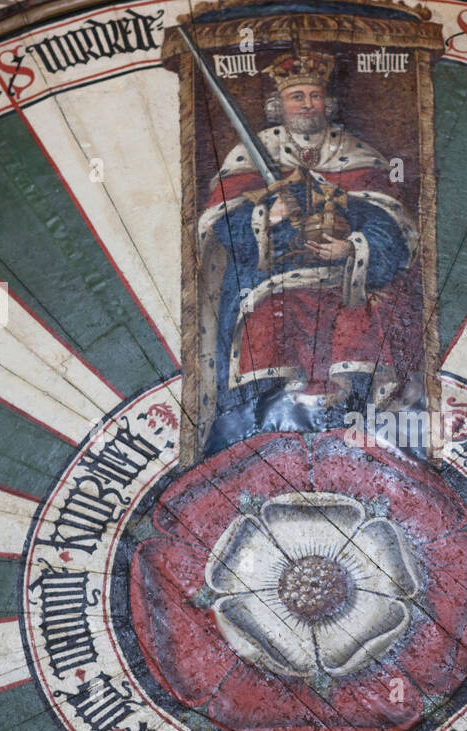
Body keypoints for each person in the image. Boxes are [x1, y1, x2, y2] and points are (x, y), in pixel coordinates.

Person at [196, 48, 422, 453]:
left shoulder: (356, 153)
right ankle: (258, 438)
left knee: (370, 316)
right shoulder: (253, 153)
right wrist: (267, 216)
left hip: (344, 277)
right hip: (269, 277)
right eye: (296, 96)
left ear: (327, 103)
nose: (306, 104)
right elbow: (223, 228)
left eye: (313, 96)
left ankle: (358, 435)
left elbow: (388, 226)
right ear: (278, 105)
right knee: (262, 317)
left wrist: (351, 247)